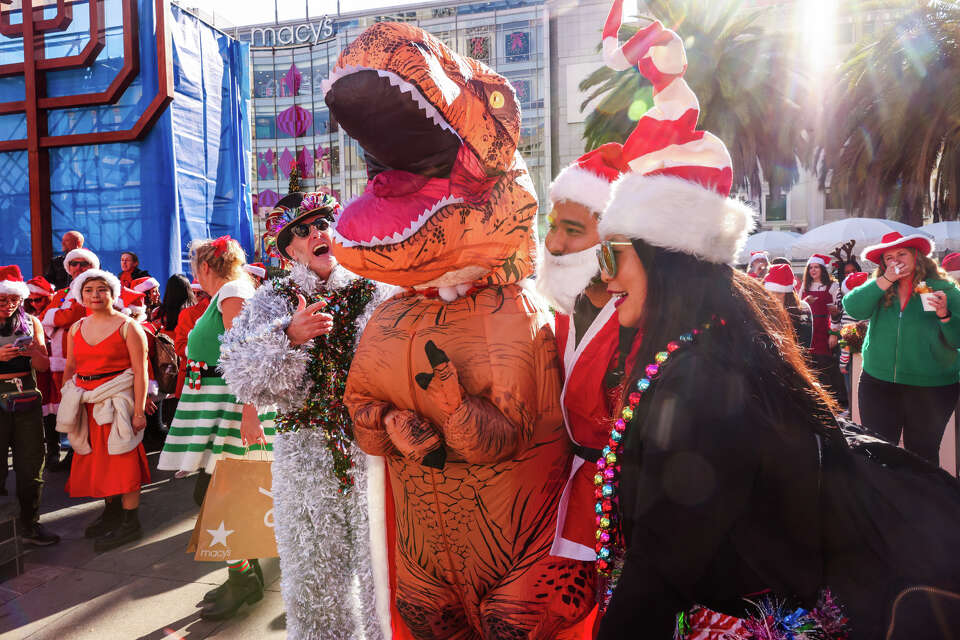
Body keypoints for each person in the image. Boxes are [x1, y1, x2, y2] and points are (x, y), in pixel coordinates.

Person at [592, 14, 960, 637]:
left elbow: (660, 570)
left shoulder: (705, 383)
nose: (605, 280)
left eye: (611, 255)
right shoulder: (715, 349)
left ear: (665, 257)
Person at [220, 191, 394, 640]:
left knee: (385, 568)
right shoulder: (273, 299)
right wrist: (288, 337)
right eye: (304, 229)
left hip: (376, 450)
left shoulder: (377, 288)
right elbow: (240, 374)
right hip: (304, 452)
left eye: (325, 223)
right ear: (289, 247)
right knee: (315, 578)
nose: (319, 232)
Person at [158, 236, 276, 621]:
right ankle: (244, 572)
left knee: (217, 496)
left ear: (203, 267)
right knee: (219, 494)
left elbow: (251, 353)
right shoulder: (231, 291)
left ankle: (243, 576)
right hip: (219, 407)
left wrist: (249, 410)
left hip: (230, 408)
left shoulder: (233, 292)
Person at [844, 232, 960, 464]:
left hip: (931, 388)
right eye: (888, 257)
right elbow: (853, 308)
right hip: (878, 383)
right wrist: (884, 280)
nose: (895, 260)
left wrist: (945, 315)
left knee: (922, 458)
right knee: (877, 455)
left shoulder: (943, 289)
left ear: (917, 256)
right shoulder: (879, 286)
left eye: (901, 254)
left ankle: (925, 500)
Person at [56, 269, 152, 552]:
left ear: (113, 293)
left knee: (123, 462)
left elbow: (140, 371)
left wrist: (138, 411)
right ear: (80, 295)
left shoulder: (129, 326)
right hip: (86, 404)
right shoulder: (76, 328)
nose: (95, 295)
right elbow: (71, 367)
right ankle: (112, 513)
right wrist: (68, 399)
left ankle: (130, 522)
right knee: (99, 461)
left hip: (118, 404)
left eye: (101, 289)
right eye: (89, 290)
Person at [0, 266, 59, 546]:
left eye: (14, 299)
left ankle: (30, 524)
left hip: (26, 398)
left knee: (30, 465)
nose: (9, 304)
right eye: (3, 299)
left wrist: (32, 350)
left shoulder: (32, 322)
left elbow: (44, 365)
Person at [801, 253, 847, 406]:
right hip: (809, 328)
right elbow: (799, 306)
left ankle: (832, 400)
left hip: (825, 328)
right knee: (809, 362)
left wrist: (834, 333)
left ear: (822, 269)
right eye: (811, 267)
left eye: (816, 267)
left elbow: (838, 310)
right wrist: (806, 302)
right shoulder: (805, 286)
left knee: (825, 363)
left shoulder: (833, 286)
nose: (813, 270)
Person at [764, 263, 813, 349]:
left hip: (794, 358)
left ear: (788, 294)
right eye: (771, 292)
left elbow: (805, 344)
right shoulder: (763, 308)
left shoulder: (803, 308)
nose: (774, 297)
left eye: (779, 293)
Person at [159, 275, 195, 340]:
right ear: (188, 291)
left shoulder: (159, 312)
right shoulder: (193, 312)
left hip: (166, 346)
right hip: (188, 346)